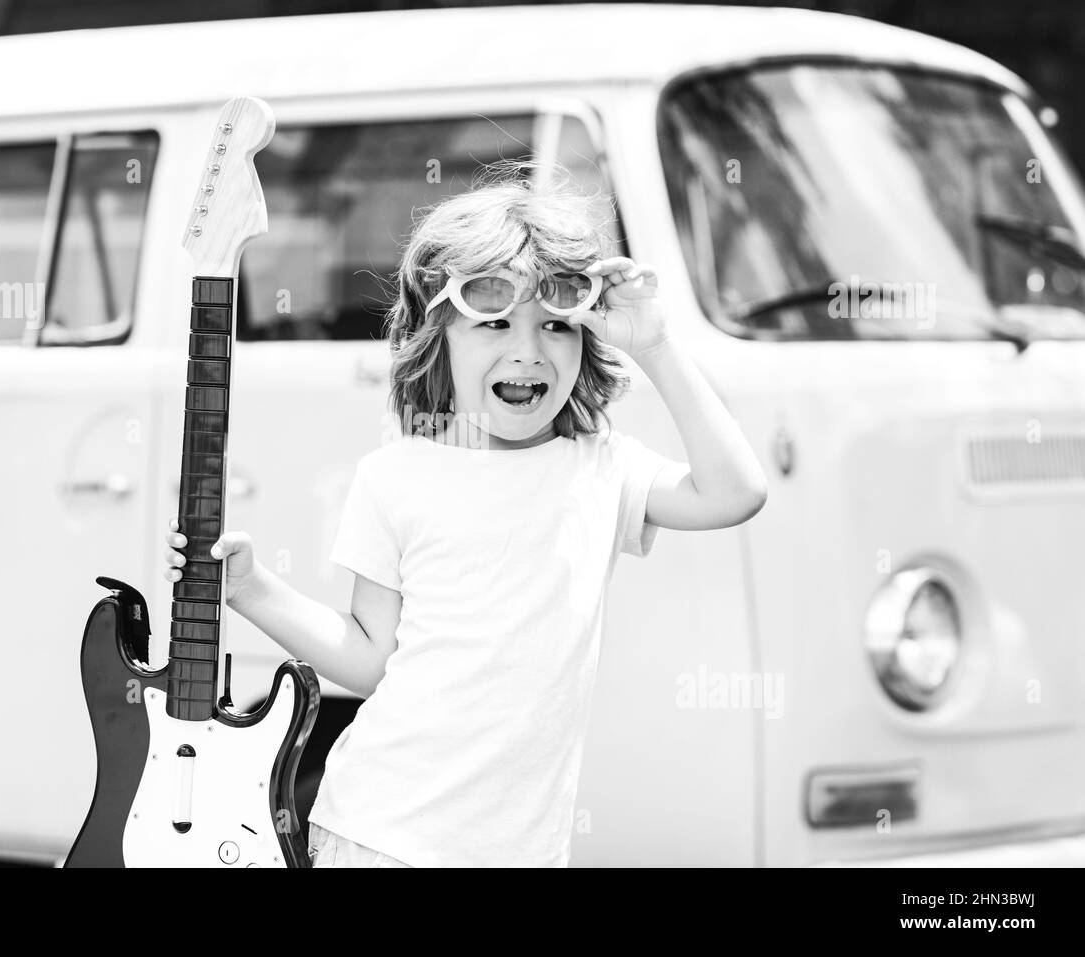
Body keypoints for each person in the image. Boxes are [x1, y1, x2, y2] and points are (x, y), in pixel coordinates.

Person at [164, 160, 768, 867]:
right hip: (379, 836)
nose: (528, 350)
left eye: (556, 326)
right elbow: (366, 658)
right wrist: (250, 586)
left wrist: (658, 346)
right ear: (439, 334)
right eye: (496, 322)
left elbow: (735, 492)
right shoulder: (396, 477)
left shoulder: (601, 467)